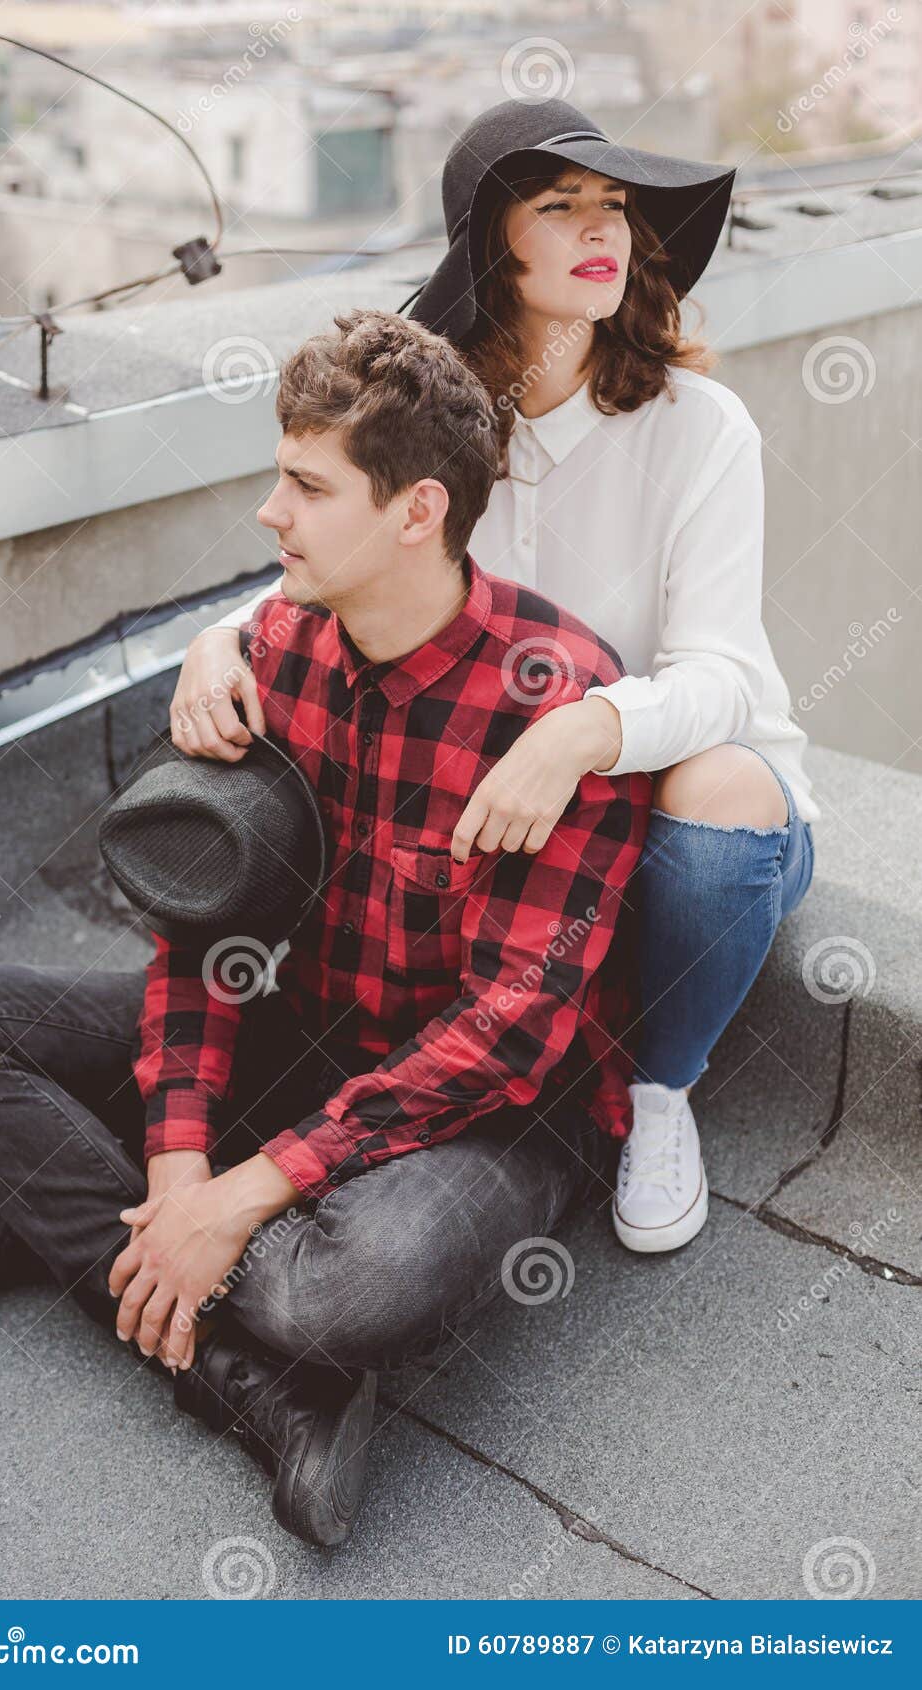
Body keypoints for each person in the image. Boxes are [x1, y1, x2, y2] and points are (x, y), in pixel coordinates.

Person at [0, 309, 650, 1550]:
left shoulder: (553, 701)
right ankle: (244, 1378)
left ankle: (64, 1221)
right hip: (312, 1030)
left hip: (497, 1112)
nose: (266, 512)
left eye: (303, 483)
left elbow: (508, 1033)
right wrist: (182, 1165)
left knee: (351, 1288)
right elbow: (202, 931)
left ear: (415, 512)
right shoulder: (273, 655)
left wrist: (245, 1191)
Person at [171, 98, 817, 1256]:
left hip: (690, 824)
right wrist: (218, 636)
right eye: (558, 205)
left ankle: (659, 1093)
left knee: (716, 785)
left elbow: (721, 676)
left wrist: (577, 731)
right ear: (489, 247)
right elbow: (365, 559)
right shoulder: (451, 423)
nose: (600, 228)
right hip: (526, 845)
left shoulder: (699, 427)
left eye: (614, 205)